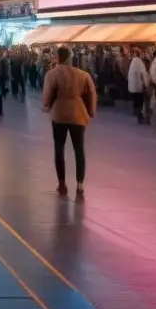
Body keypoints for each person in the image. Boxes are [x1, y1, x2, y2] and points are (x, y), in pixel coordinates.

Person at [42, 45, 97, 197]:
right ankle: (80, 184)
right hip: (78, 114)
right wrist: (91, 111)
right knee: (79, 149)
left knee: (59, 148)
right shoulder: (83, 75)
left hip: (59, 115)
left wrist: (47, 105)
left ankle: (61, 183)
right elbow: (91, 92)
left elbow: (47, 97)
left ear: (58, 57)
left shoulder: (51, 74)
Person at [127, 48, 150, 124]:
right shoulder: (140, 63)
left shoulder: (133, 62)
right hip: (138, 86)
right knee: (139, 101)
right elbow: (144, 74)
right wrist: (146, 84)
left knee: (135, 101)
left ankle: (136, 114)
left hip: (132, 86)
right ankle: (139, 116)